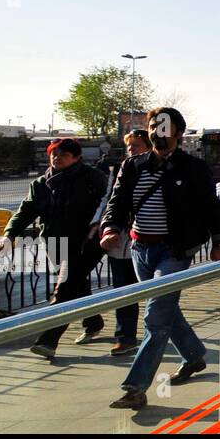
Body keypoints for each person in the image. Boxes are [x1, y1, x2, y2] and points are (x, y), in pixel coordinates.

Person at [101, 107, 220, 410]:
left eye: (166, 127)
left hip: (175, 250)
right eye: (154, 125)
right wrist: (110, 227)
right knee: (167, 310)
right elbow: (117, 203)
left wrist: (219, 241)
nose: (159, 131)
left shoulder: (193, 168)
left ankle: (136, 387)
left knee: (155, 318)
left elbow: (211, 207)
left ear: (179, 133)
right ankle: (194, 357)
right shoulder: (132, 166)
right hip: (140, 249)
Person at [0, 138, 109, 359]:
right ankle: (93, 320)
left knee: (65, 288)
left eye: (63, 155)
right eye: (54, 154)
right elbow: (26, 211)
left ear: (76, 157)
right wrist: (10, 234)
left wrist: (102, 226)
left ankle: (48, 340)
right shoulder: (41, 183)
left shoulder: (93, 178)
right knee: (75, 284)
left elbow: (109, 203)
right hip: (54, 241)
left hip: (85, 242)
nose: (57, 158)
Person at [92, 129, 150, 356]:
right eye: (129, 145)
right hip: (121, 238)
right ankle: (125, 337)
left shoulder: (157, 170)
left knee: (154, 293)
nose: (131, 149)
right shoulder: (122, 169)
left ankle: (161, 331)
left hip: (146, 239)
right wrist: (103, 225)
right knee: (123, 290)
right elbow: (109, 200)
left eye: (136, 144)